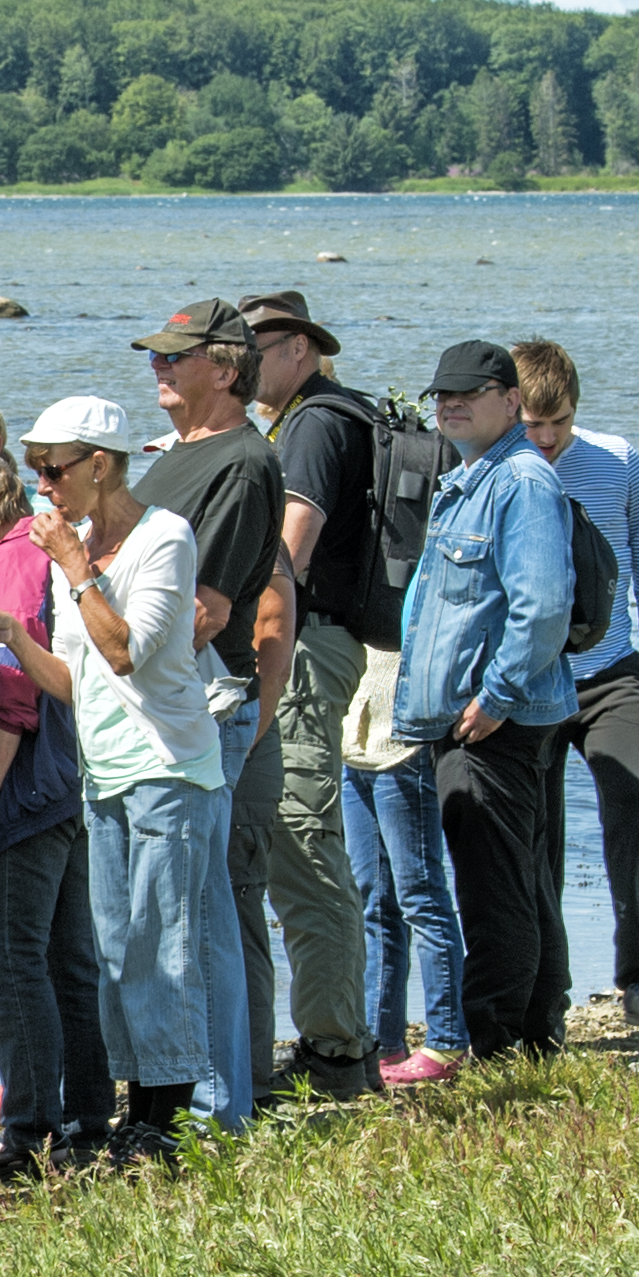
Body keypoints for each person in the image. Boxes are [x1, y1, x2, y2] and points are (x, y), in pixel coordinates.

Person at [3, 394, 225, 1153]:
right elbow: (76, 679)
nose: (44, 487)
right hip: (105, 775)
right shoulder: (86, 551)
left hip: (168, 767)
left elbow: (131, 650)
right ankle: (139, 1113)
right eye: (35, 471)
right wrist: (11, 637)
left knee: (164, 945)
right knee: (117, 952)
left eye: (54, 469)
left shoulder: (163, 537)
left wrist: (72, 565)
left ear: (102, 465)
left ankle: (165, 1119)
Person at [396, 341, 580, 1059]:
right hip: (476, 715)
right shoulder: (473, 476)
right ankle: (533, 1031)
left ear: (511, 401)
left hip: (492, 719)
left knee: (495, 887)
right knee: (517, 877)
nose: (450, 404)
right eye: (442, 394)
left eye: (468, 393)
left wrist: (495, 697)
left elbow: (543, 605)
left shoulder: (520, 481)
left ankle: (500, 1041)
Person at [129, 300, 287, 1125]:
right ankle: (188, 1095)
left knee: (193, 910)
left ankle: (214, 1107)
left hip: (194, 701)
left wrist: (112, 654)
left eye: (174, 357)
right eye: (156, 356)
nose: (159, 367)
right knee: (177, 908)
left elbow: (208, 610)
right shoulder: (174, 457)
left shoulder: (242, 463)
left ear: (225, 369)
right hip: (146, 705)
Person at [512, 339, 639, 1024]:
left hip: (611, 672)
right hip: (531, 676)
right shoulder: (498, 471)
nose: (549, 438)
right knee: (536, 834)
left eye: (559, 421)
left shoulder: (617, 461)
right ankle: (543, 990)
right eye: (534, 423)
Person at [0, 446, 107, 1176]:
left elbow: (10, 694)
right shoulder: (33, 545)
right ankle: (85, 1109)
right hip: (68, 781)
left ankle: (30, 1123)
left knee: (13, 961)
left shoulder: (8, 558)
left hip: (25, 788)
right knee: (70, 960)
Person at [239, 290, 377, 1094]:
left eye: (258, 345)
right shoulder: (314, 417)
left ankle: (334, 1048)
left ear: (302, 347)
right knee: (306, 839)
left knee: (301, 839)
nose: (246, 362)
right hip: (319, 637)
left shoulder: (318, 422)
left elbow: (287, 552)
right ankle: (340, 1036)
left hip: (307, 642)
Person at [349, 628, 467, 1085]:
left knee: (421, 896)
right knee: (373, 902)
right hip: (354, 745)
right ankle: (383, 1041)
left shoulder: (418, 563)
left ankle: (447, 1039)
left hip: (405, 746)